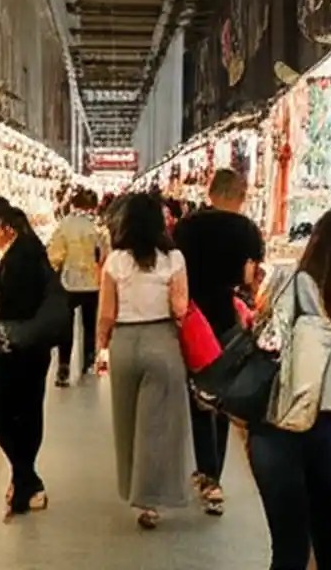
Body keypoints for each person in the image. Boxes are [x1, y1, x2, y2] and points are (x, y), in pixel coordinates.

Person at [248, 207, 331, 570]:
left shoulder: (295, 285)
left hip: (277, 426)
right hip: (311, 427)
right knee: (324, 546)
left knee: (292, 548)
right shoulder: (330, 300)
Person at [95, 193, 192, 530]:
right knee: (158, 425)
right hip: (161, 341)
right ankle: (149, 502)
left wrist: (100, 348)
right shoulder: (174, 259)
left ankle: (131, 489)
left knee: (127, 423)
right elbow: (181, 308)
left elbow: (106, 314)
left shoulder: (114, 262)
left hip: (124, 343)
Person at [173, 168, 264, 516]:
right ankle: (215, 475)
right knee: (223, 395)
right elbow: (250, 279)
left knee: (196, 393)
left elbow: (176, 274)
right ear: (239, 195)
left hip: (193, 320)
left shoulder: (185, 227)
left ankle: (205, 470)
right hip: (229, 320)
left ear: (211, 192)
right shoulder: (247, 231)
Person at [0, 195, 54, 515]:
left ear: (0, 226)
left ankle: (27, 481)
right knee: (26, 414)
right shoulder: (25, 248)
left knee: (4, 417)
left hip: (17, 346)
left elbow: (10, 302)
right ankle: (25, 481)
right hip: (30, 346)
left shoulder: (22, 256)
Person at [47, 189, 107, 384]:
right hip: (93, 284)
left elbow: (55, 256)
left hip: (68, 283)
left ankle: (63, 366)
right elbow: (105, 254)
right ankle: (88, 362)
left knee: (66, 326)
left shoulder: (65, 225)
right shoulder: (97, 226)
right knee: (89, 325)